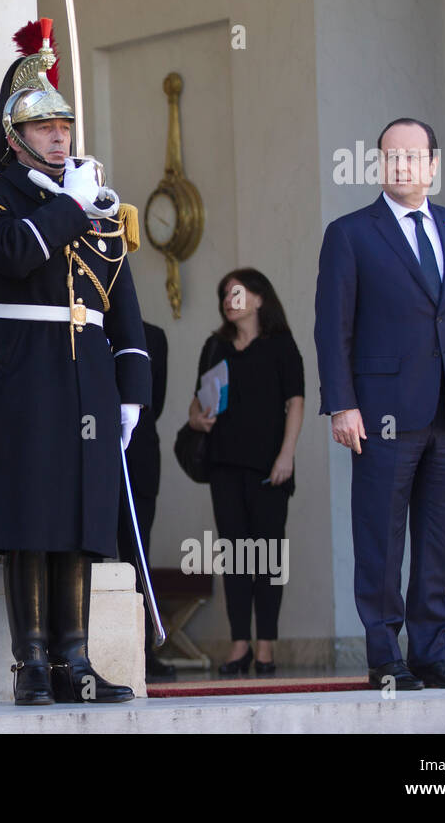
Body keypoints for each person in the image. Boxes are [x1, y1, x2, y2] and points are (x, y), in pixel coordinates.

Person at [0, 19, 151, 705]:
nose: (60, 136)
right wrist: (69, 206)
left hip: (86, 366)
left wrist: (132, 383)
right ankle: (31, 663)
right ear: (14, 136)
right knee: (30, 515)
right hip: (23, 363)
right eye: (45, 127)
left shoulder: (100, 201)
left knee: (82, 516)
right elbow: (13, 255)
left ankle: (75, 661)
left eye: (65, 126)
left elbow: (122, 299)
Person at [315, 117, 445, 691]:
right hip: (380, 411)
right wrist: (342, 404)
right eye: (391, 156)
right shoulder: (351, 233)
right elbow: (332, 328)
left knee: (437, 540)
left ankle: (432, 653)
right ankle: (386, 655)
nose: (403, 165)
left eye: (414, 157)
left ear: (433, 166)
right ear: (378, 164)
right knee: (381, 537)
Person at [187, 269, 303, 676]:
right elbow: (196, 403)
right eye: (223, 294)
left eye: (235, 292)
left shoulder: (282, 346)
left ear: (258, 298)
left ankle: (266, 647)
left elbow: (296, 403)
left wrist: (286, 455)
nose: (227, 300)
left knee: (268, 557)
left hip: (271, 468)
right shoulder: (214, 346)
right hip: (224, 466)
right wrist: (197, 420)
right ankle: (240, 646)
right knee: (234, 555)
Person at [116, 320, 173, 680]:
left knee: (138, 553)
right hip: (88, 452)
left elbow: (155, 400)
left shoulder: (153, 335)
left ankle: (142, 654)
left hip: (139, 457)